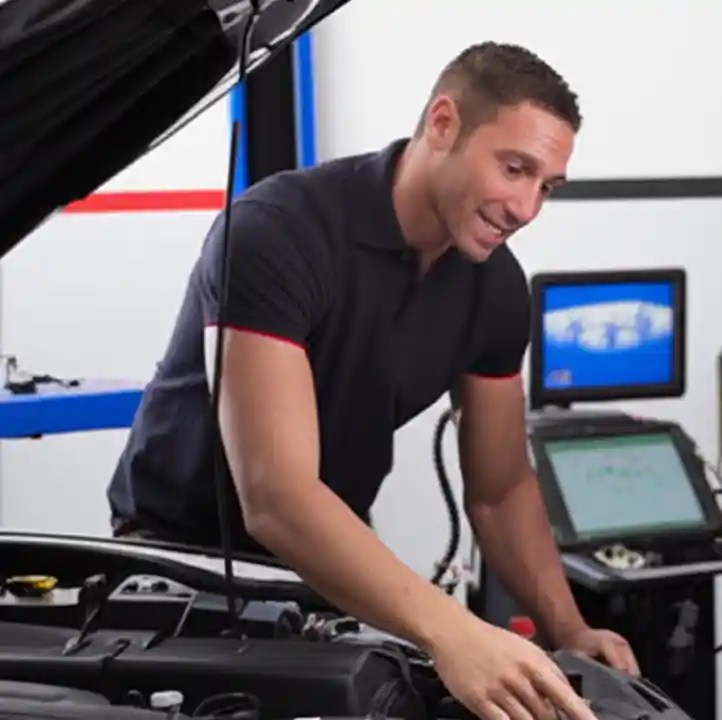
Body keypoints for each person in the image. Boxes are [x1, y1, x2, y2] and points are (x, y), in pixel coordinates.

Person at [107, 41, 639, 720]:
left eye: (547, 187)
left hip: (320, 571)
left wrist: (569, 630)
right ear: (442, 123)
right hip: (178, 563)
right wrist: (453, 632)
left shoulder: (496, 288)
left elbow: (502, 489)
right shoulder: (277, 231)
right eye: (514, 169)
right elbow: (276, 498)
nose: (527, 207)